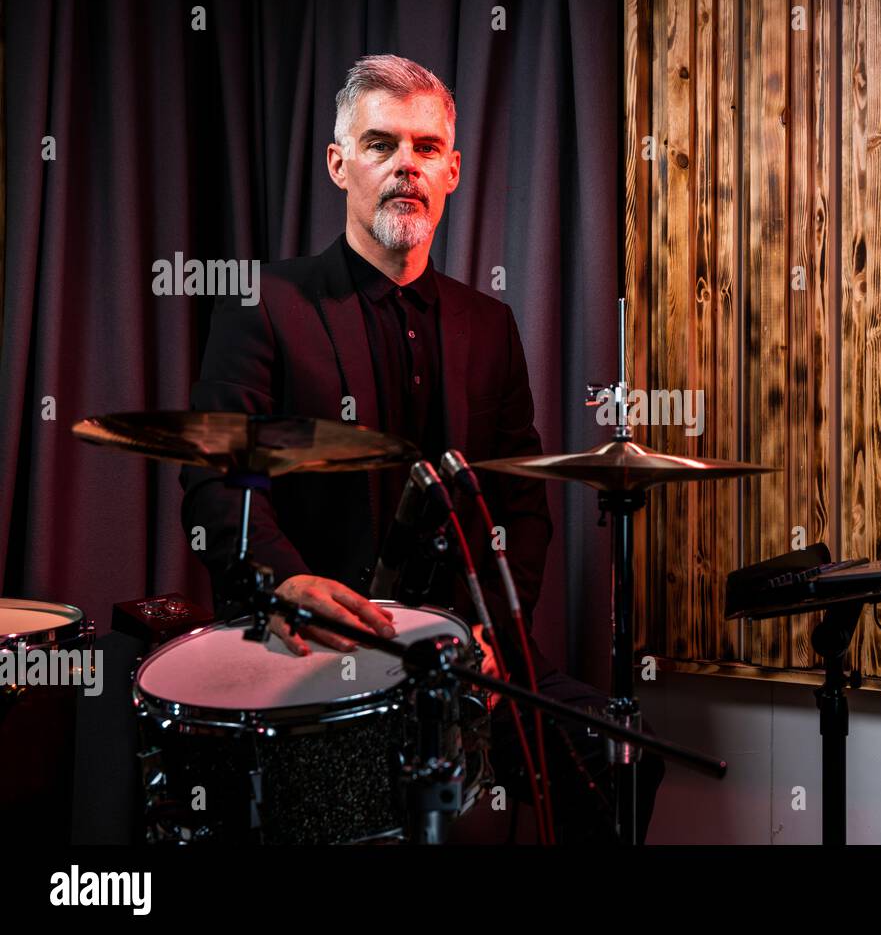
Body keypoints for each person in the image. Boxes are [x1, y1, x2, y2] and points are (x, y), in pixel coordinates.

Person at [180, 54, 662, 843]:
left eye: (426, 147)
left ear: (453, 170)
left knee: (614, 751)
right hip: (315, 652)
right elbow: (214, 485)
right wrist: (287, 580)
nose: (406, 164)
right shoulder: (266, 306)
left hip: (460, 654)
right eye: (380, 144)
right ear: (340, 164)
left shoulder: (489, 326)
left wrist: (491, 635)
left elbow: (520, 505)